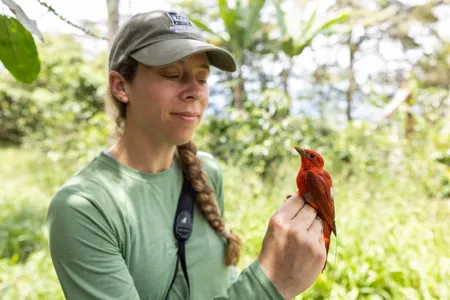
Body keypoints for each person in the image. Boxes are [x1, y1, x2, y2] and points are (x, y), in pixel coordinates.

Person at [47, 10, 326, 300]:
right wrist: (270, 284)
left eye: (203, 79)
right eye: (172, 75)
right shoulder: (83, 208)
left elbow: (220, 284)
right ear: (121, 86)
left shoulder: (206, 170)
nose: (195, 91)